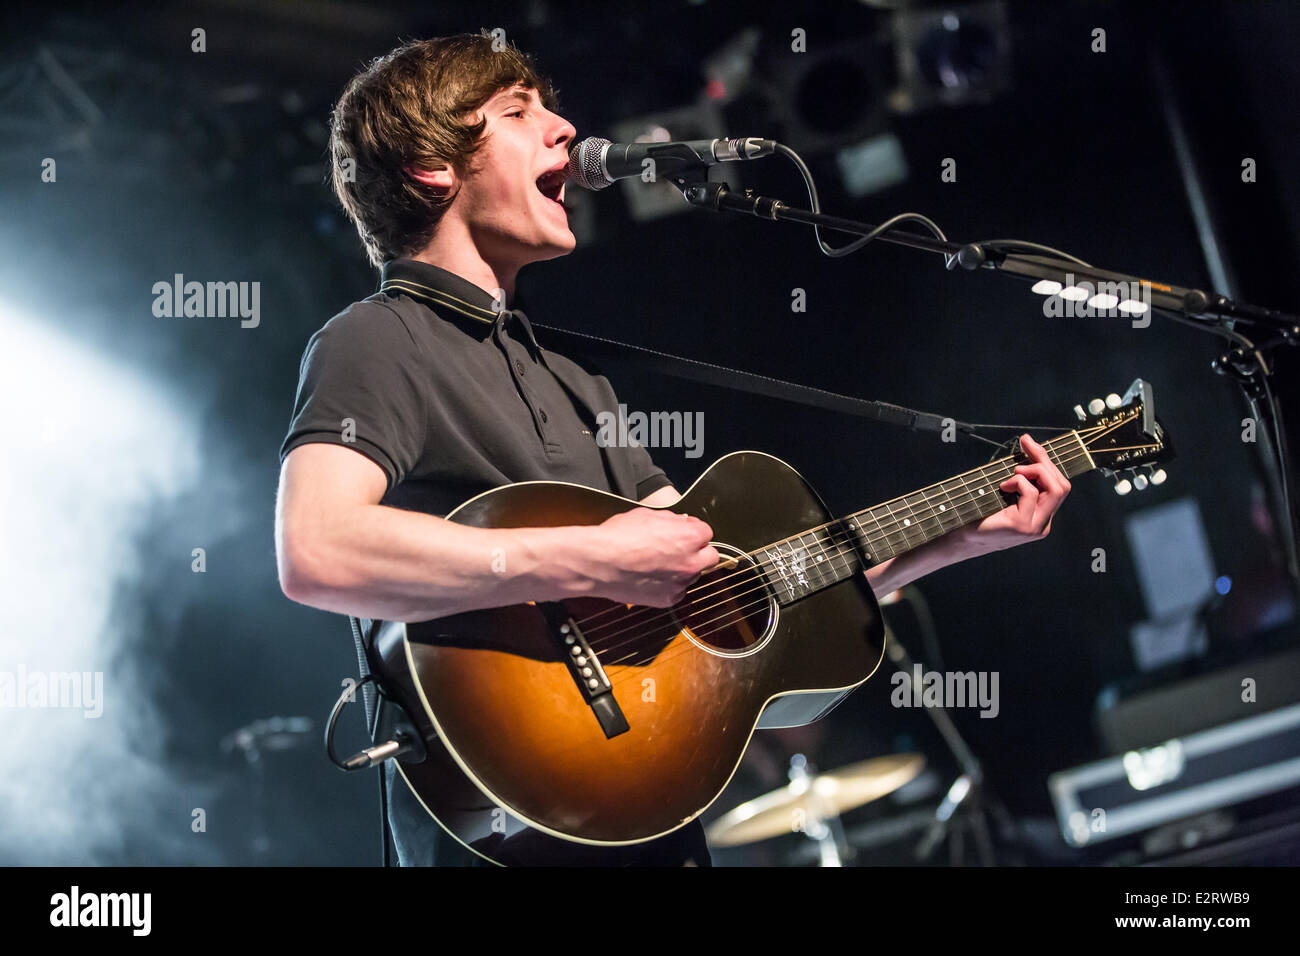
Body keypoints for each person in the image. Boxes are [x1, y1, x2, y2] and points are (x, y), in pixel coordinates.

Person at [274, 32, 1071, 867]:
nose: (565, 129)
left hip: (644, 821)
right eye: (520, 111)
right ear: (431, 165)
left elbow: (739, 597)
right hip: (505, 838)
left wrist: (954, 539)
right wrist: (586, 558)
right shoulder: (374, 340)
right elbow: (317, 549)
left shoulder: (576, 382)